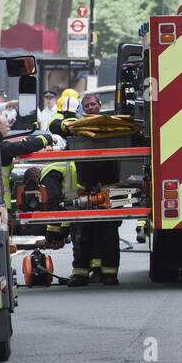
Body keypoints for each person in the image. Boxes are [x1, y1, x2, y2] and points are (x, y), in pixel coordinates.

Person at [51, 89, 120, 286]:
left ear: (100, 105)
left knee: (108, 233)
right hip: (85, 188)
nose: (91, 108)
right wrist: (68, 124)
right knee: (82, 232)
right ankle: (80, 273)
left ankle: (109, 274)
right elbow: (54, 125)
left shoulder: (112, 125)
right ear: (83, 109)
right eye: (87, 106)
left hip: (109, 188)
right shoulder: (76, 126)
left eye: (93, 105)